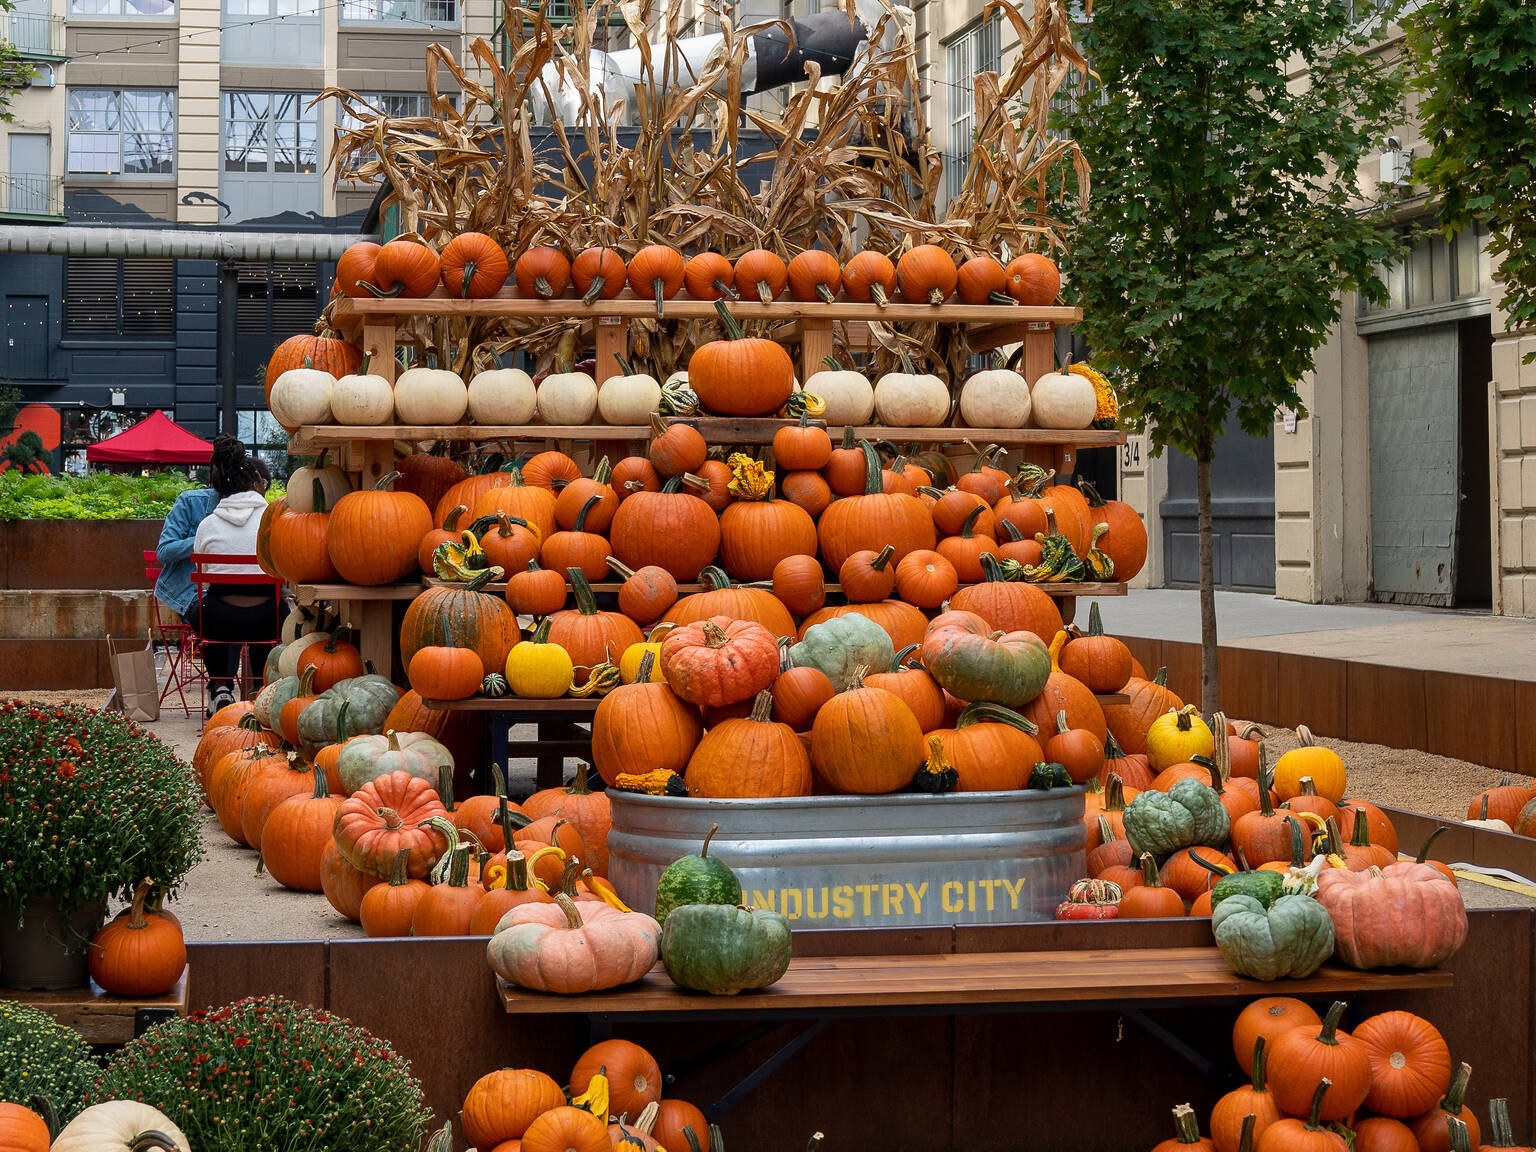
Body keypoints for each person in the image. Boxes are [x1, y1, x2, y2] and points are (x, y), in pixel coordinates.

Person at [188, 438, 282, 714]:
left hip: (219, 619)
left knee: (202, 607)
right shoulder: (274, 519)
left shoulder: (208, 525)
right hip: (268, 618)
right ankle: (260, 686)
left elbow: (204, 579)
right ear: (255, 483)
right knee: (277, 610)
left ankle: (220, 687)